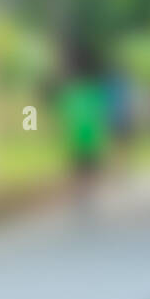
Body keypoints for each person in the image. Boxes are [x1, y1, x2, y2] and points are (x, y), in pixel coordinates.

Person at [57, 42, 110, 207]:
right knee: (89, 167)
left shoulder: (71, 92)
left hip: (77, 138)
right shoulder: (93, 91)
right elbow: (100, 114)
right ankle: (87, 194)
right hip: (90, 137)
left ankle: (81, 194)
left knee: (79, 167)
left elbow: (66, 115)